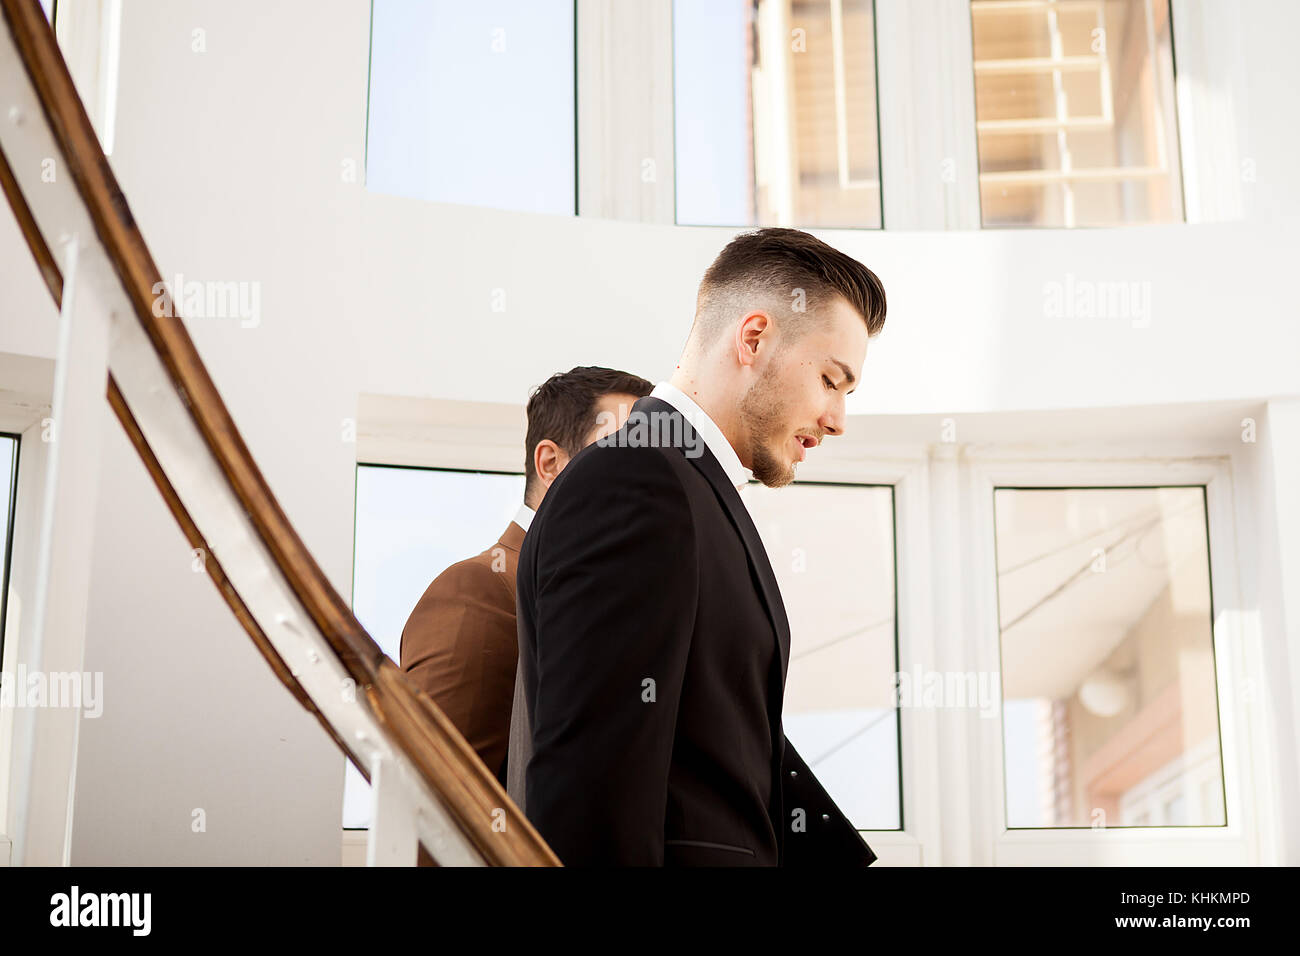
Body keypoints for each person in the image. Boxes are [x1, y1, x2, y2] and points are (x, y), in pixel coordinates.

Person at [507, 227, 887, 866]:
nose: (837, 419)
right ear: (755, 337)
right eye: (830, 380)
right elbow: (590, 786)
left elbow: (736, 749)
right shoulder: (636, 479)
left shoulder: (689, 485)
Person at [399, 367, 651, 846]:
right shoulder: (478, 591)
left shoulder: (615, 600)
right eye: (621, 455)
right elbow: (430, 815)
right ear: (550, 463)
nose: (643, 479)